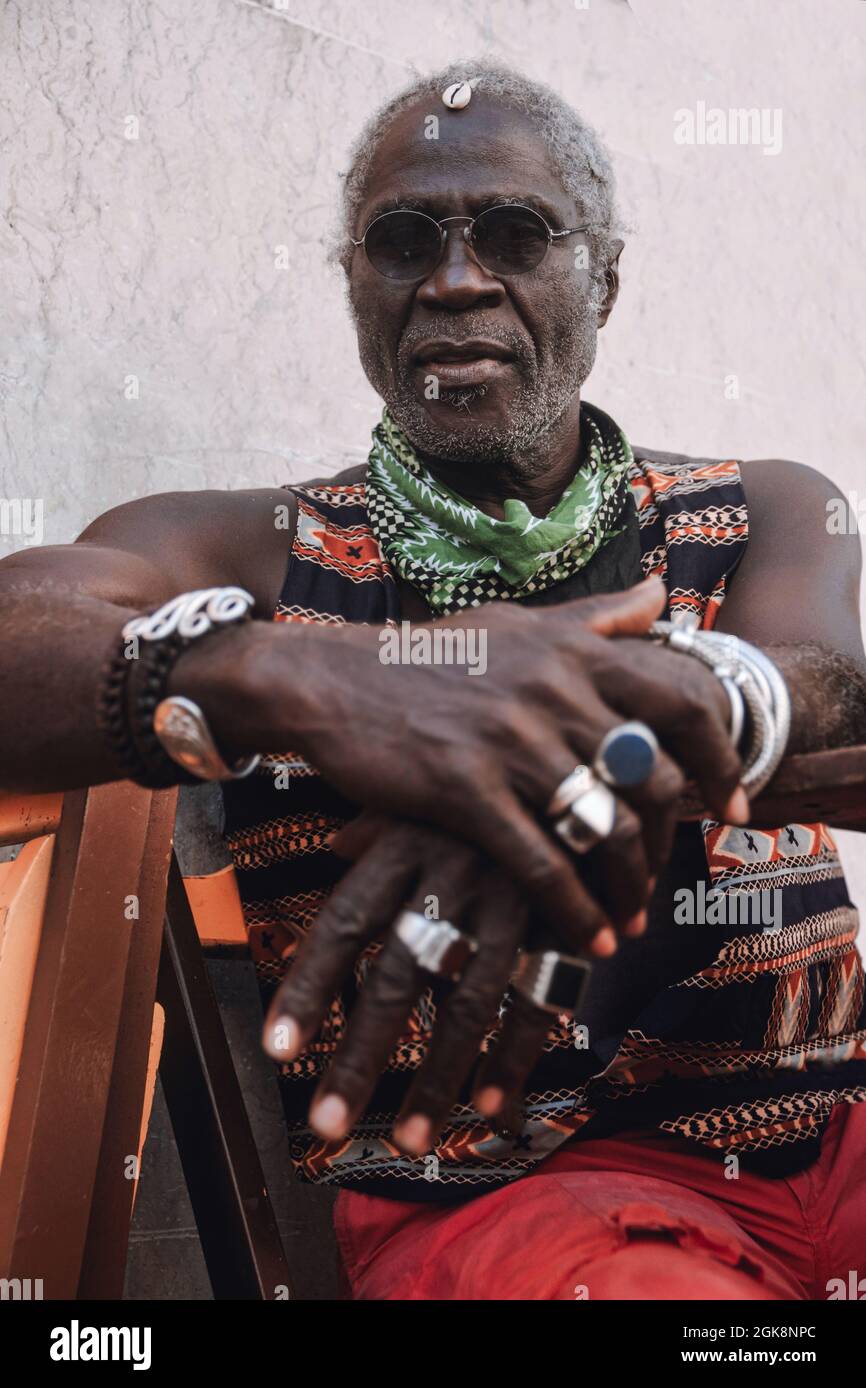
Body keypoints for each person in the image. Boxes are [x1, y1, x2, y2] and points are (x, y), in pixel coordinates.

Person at [2, 62, 865, 1301]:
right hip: (509, 1202)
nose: (455, 280)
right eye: (403, 241)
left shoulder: (755, 509)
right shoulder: (246, 551)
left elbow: (825, 680)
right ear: (356, 286)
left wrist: (599, 733)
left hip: (834, 1133)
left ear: (604, 279)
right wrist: (296, 669)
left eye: (515, 234)